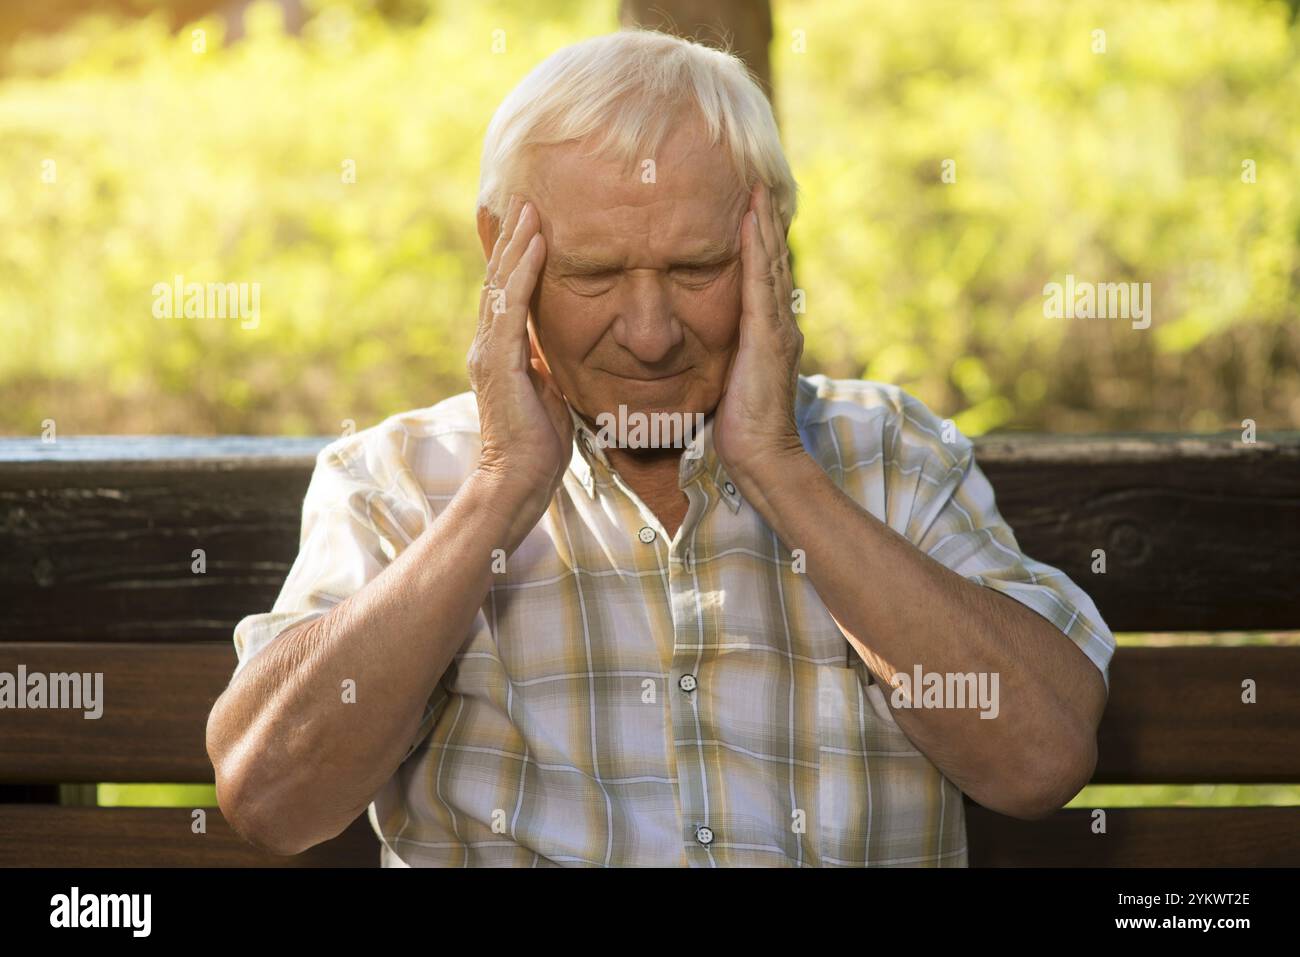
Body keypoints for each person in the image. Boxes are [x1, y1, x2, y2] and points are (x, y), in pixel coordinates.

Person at [207, 28, 1114, 867]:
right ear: (501, 256)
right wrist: (497, 492)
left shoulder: (893, 453)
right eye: (595, 273)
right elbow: (270, 795)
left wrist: (779, 468)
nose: (649, 333)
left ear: (772, 248)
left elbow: (1040, 759)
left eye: (696, 269)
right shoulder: (398, 481)